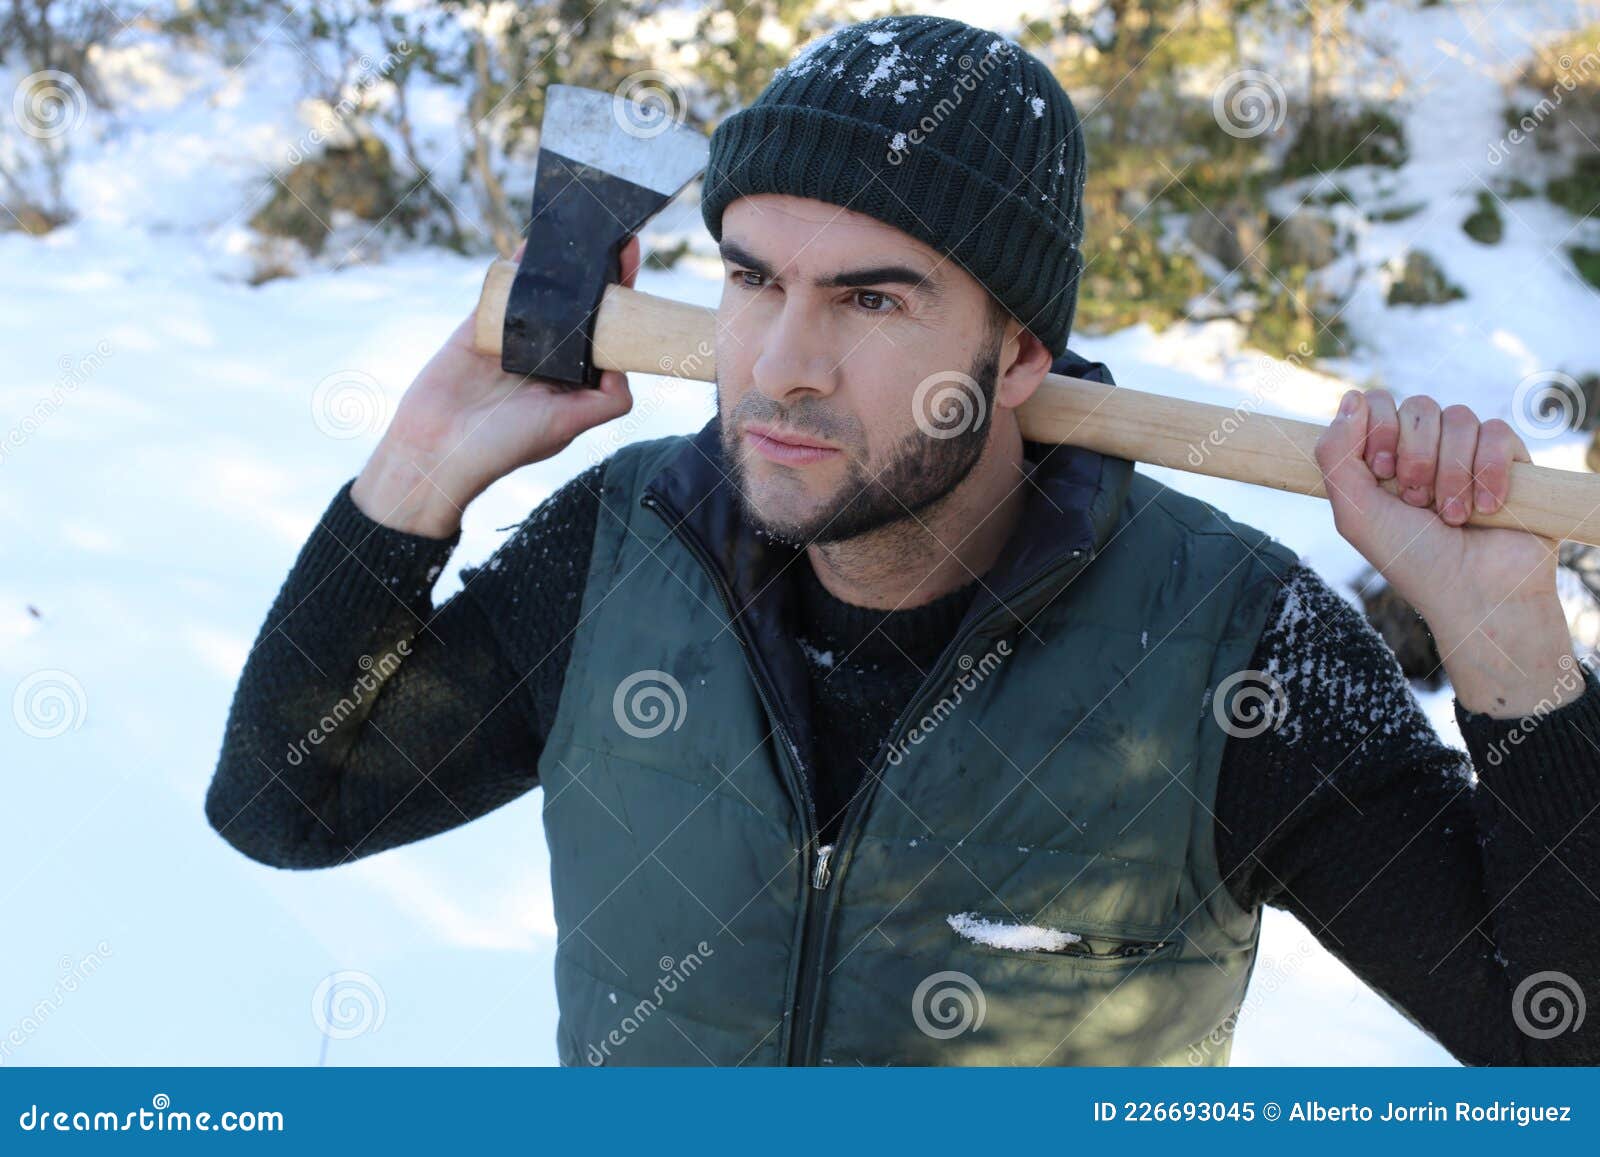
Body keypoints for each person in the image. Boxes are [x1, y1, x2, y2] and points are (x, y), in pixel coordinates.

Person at [205, 14, 1600, 1065]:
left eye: (873, 302)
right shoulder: (625, 547)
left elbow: (1562, 1053)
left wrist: (1511, 657)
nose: (785, 365)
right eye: (755, 280)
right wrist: (414, 473)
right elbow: (286, 805)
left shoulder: (1232, 635)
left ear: (1018, 353)